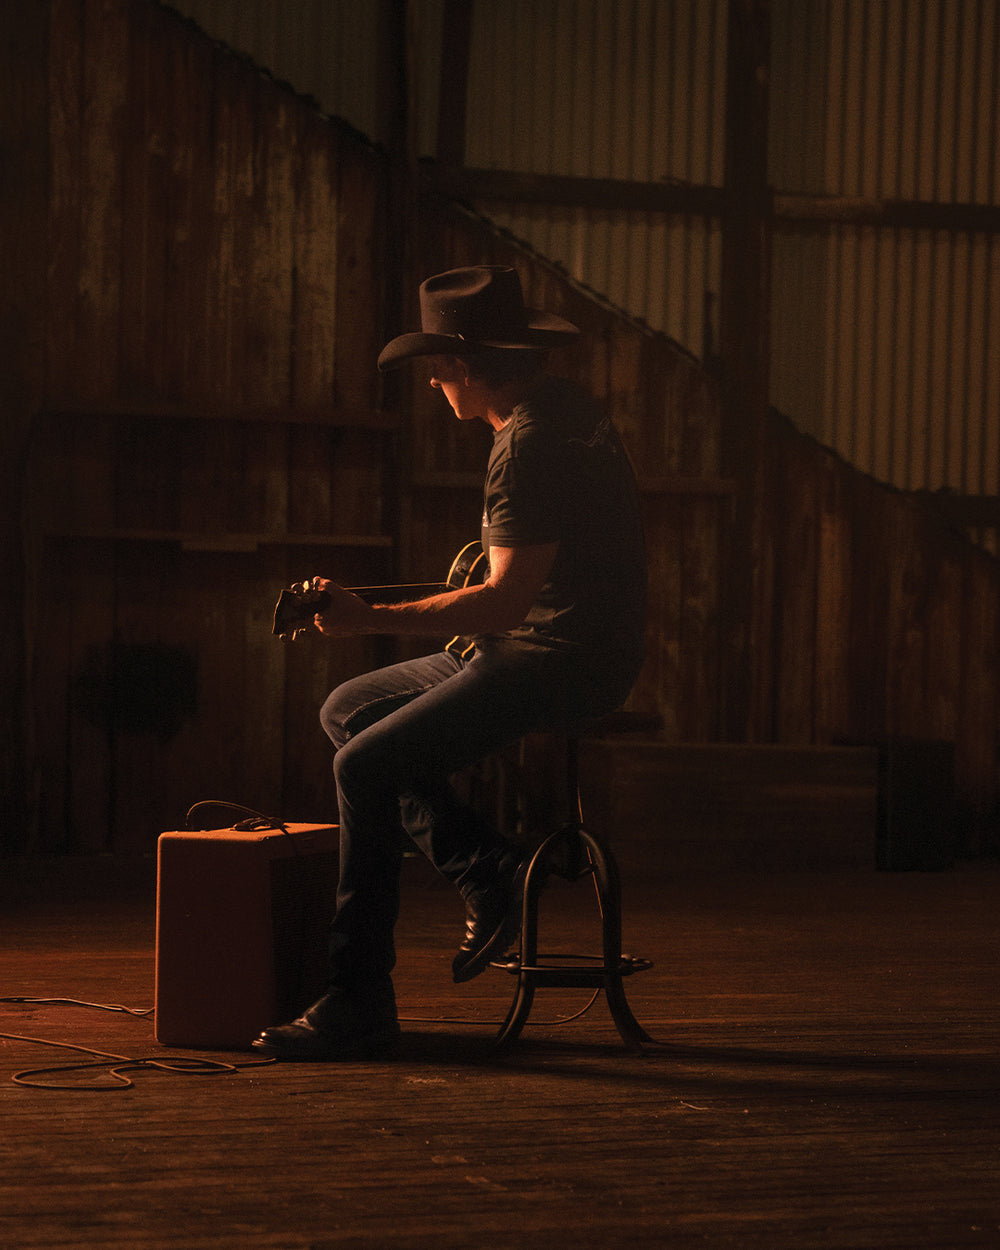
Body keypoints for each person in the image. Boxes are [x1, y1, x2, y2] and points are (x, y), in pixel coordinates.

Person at [253, 265, 646, 1060]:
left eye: (437, 367)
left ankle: (358, 999)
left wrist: (367, 617)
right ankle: (484, 868)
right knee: (348, 711)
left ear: (463, 366)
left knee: (363, 765)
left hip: (560, 660)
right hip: (562, 644)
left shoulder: (525, 445)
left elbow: (502, 605)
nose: (432, 382)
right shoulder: (567, 410)